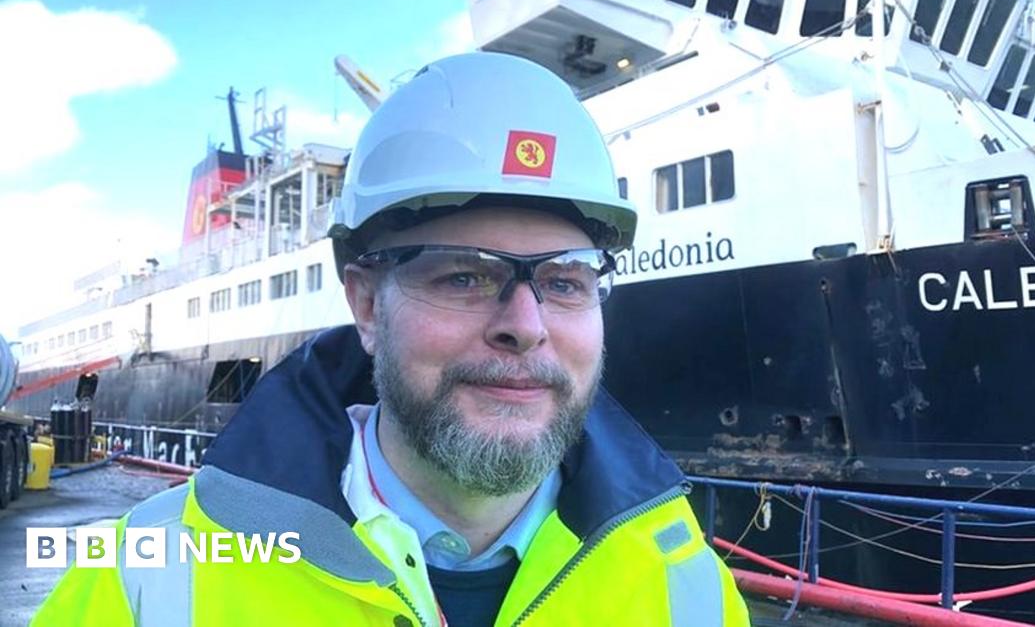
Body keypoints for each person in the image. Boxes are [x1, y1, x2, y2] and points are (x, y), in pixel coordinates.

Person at [34, 52, 750, 626]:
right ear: (367, 304)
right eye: (465, 277)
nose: (526, 324)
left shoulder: (688, 584)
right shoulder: (147, 578)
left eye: (565, 281)